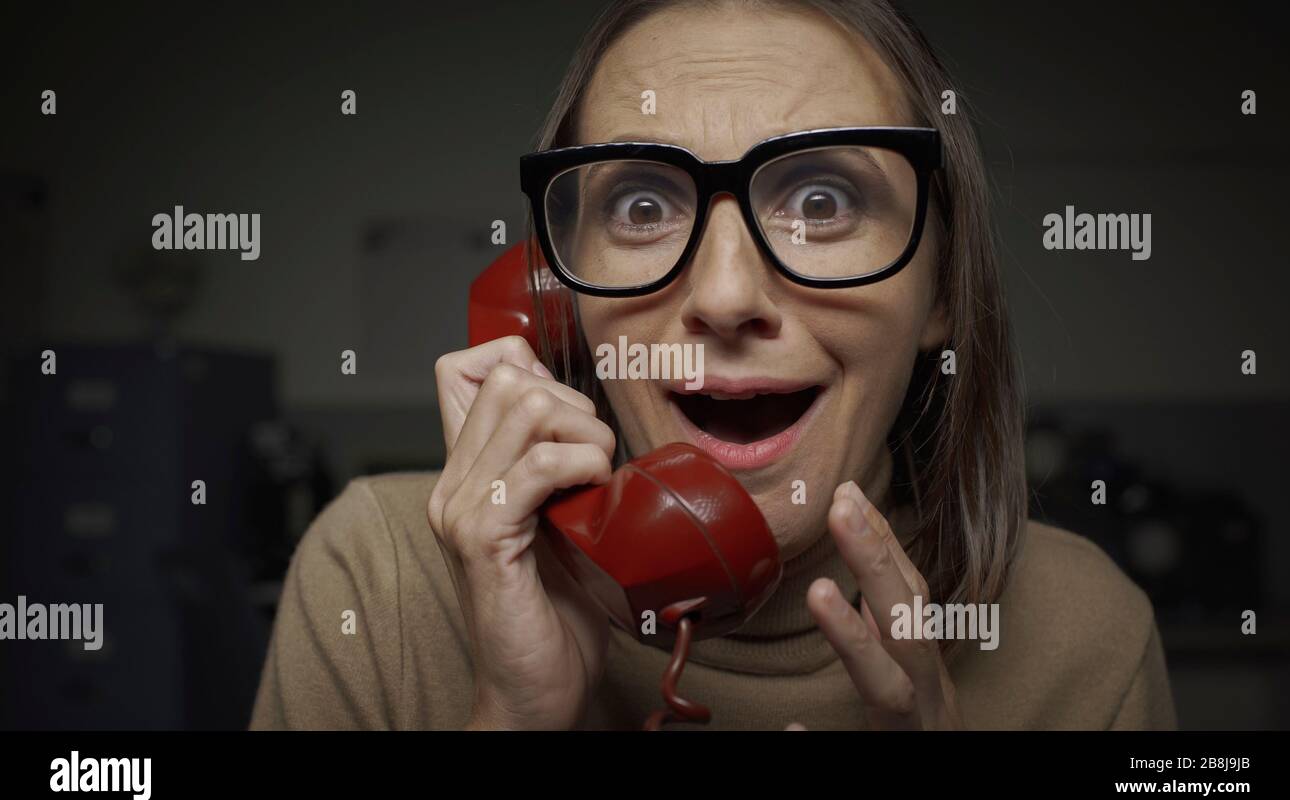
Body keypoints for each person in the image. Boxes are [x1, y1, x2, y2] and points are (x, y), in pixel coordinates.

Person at [250, 0, 1177, 731]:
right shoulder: (377, 578)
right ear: (558, 294)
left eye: (822, 199)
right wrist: (514, 719)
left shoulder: (1083, 632)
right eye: (644, 205)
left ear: (941, 290)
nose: (728, 296)